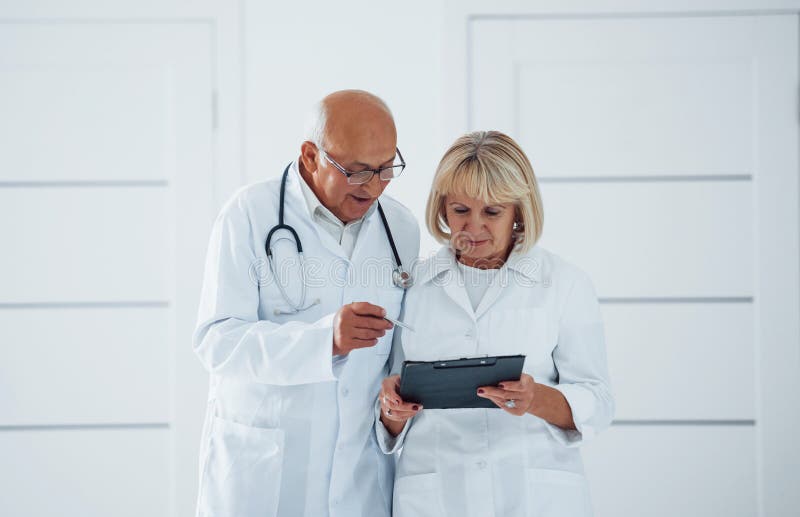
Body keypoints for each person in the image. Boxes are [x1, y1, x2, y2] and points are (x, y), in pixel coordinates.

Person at [193, 90, 419, 517]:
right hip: (264, 476)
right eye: (358, 172)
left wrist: (398, 398)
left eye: (387, 168)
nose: (374, 186)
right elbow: (216, 341)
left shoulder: (401, 228)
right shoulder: (247, 215)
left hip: (359, 480)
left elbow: (397, 360)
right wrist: (323, 341)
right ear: (311, 155)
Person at [375, 131, 614, 517]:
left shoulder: (564, 283)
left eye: (492, 212)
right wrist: (391, 410)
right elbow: (388, 406)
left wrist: (537, 399)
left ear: (519, 210)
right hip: (435, 493)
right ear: (441, 208)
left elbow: (599, 401)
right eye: (460, 210)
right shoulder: (413, 286)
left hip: (533, 494)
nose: (474, 227)